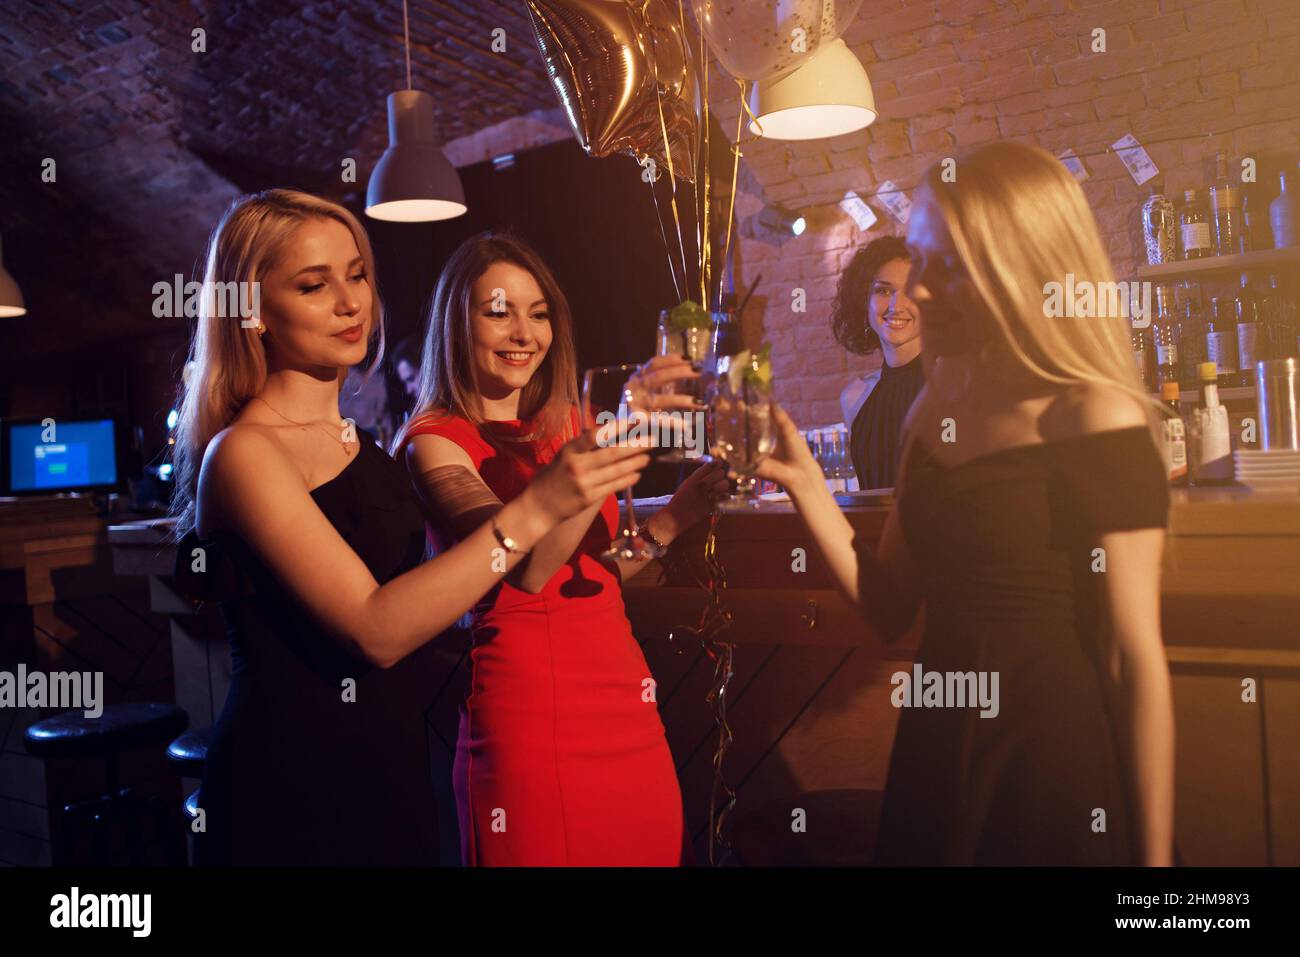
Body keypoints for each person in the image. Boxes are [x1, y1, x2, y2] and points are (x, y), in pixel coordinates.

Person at [170, 191, 650, 865]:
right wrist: (539, 506)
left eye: (357, 274)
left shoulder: (361, 445)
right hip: (289, 784)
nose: (350, 302)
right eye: (314, 285)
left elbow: (474, 584)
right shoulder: (244, 452)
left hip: (390, 768)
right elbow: (377, 628)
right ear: (250, 309)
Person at [756, 142, 1175, 866]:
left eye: (940, 264)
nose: (915, 292)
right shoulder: (935, 411)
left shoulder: (1093, 414)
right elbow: (888, 607)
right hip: (938, 747)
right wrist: (805, 483)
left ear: (1013, 268)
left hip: (1048, 762)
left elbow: (1130, 658)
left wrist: (1157, 873)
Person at [395, 231, 728, 866]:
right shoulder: (435, 442)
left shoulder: (570, 424)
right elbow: (526, 569)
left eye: (539, 313)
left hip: (624, 696)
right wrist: (621, 427)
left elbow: (593, 574)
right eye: (499, 312)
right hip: (530, 711)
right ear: (456, 324)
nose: (524, 333)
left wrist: (675, 517)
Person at [832, 236, 924, 489]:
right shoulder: (854, 398)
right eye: (883, 291)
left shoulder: (956, 386)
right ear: (863, 300)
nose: (896, 305)